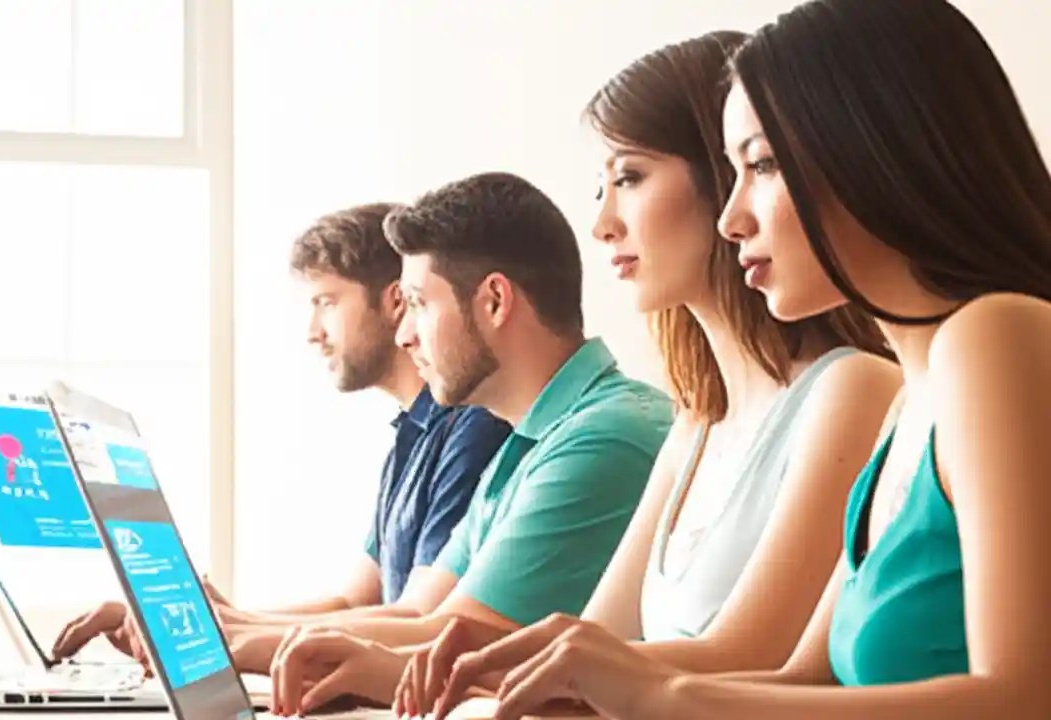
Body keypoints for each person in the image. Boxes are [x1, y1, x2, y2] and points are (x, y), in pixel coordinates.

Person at [437, 2, 1051, 718]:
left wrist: (657, 696)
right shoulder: (909, 400)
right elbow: (804, 681)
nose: (733, 218)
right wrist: (596, 674)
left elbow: (1022, 698)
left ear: (872, 149)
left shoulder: (994, 336)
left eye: (762, 165)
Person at [285, 30, 902, 719]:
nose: (603, 223)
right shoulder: (695, 422)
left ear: (721, 179)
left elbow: (748, 660)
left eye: (630, 178)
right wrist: (392, 665)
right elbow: (600, 647)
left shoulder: (850, 389)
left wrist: (419, 667)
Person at [262, 170, 675, 715]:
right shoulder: (524, 442)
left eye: (419, 304)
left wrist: (255, 645)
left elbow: (455, 646)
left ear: (495, 301)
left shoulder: (605, 438)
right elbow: (426, 621)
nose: (405, 334)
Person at [48, 202, 510, 669]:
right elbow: (352, 602)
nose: (313, 332)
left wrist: (220, 633)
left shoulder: (473, 429)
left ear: (394, 302)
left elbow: (415, 615)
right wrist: (221, 618)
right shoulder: (410, 437)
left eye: (326, 302)